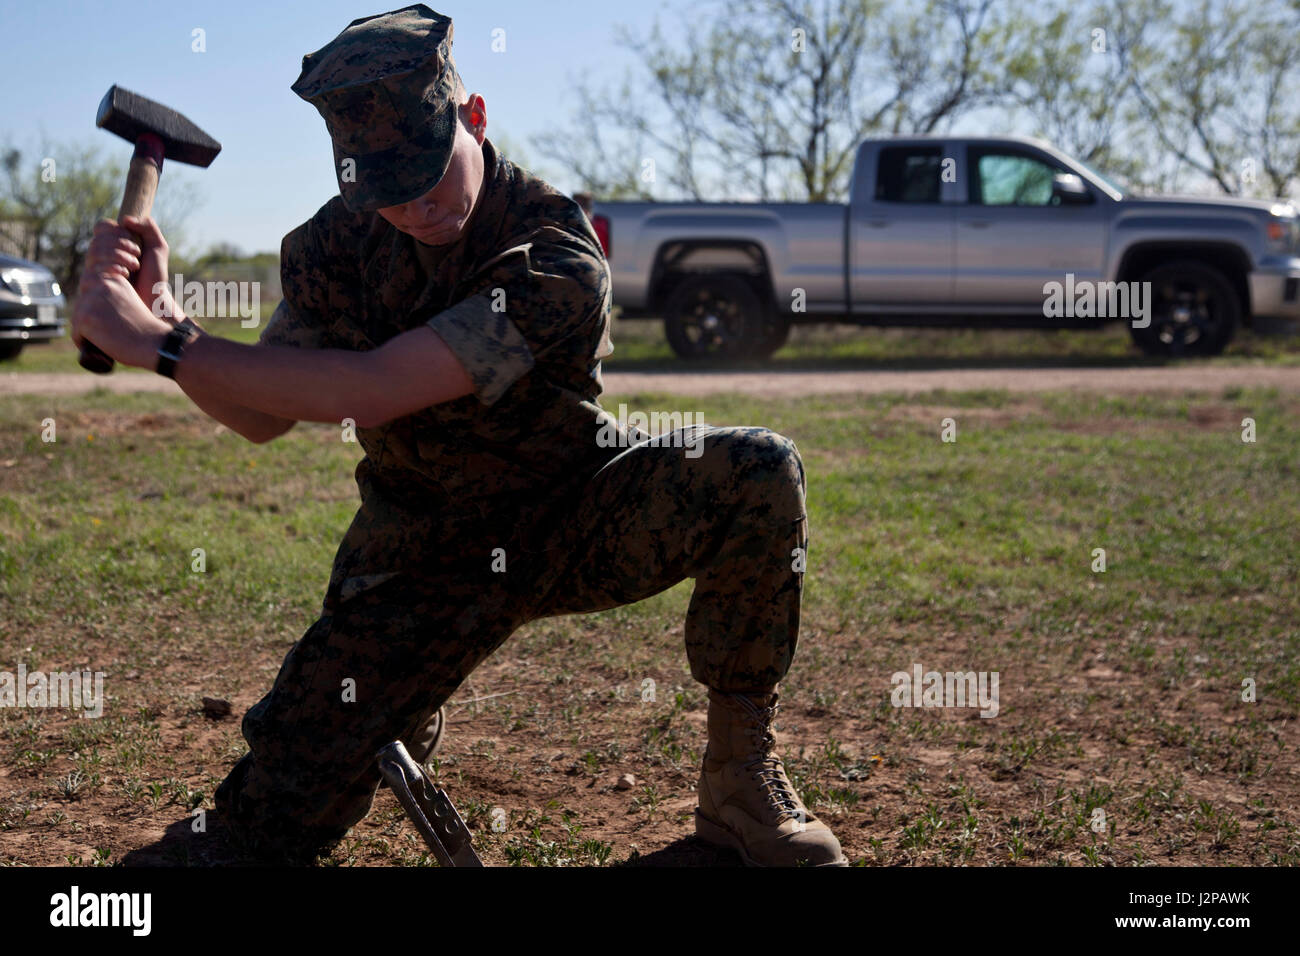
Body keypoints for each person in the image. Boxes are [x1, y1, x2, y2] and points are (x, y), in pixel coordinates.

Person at [70, 3, 846, 867]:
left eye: (429, 177)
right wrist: (164, 323)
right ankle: (396, 697)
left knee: (754, 470)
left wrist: (163, 343)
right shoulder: (336, 245)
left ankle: (740, 781)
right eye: (386, 194)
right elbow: (263, 413)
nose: (416, 209)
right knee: (258, 828)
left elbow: (377, 386)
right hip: (419, 543)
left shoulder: (554, 251)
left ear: (474, 118)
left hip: (571, 514)